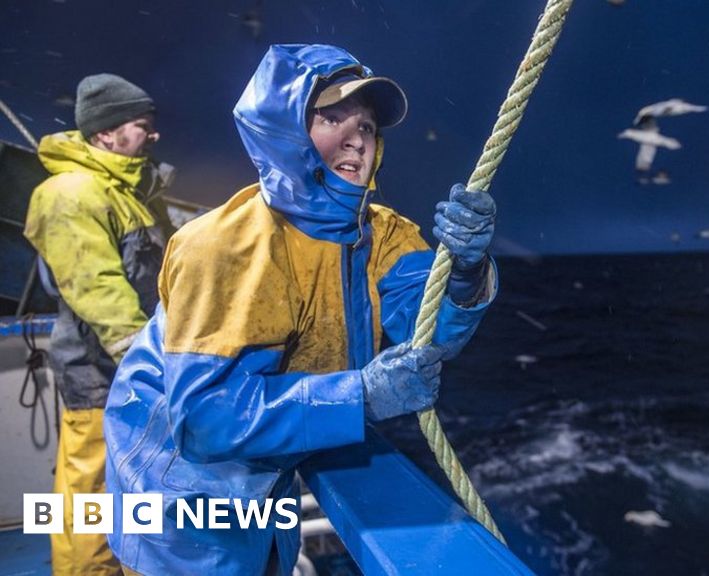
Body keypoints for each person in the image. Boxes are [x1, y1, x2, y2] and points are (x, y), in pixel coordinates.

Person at [104, 44, 498, 575]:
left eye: (369, 126)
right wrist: (361, 395)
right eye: (333, 116)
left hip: (268, 478)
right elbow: (205, 421)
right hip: (175, 498)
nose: (357, 136)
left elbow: (428, 330)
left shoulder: (381, 235)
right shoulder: (221, 248)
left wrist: (466, 274)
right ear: (282, 128)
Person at [23, 73, 173, 575]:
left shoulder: (129, 191)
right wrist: (149, 363)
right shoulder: (70, 194)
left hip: (135, 373)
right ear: (105, 132)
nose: (151, 135)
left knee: (132, 489)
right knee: (90, 492)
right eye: (140, 125)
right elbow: (97, 287)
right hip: (99, 374)